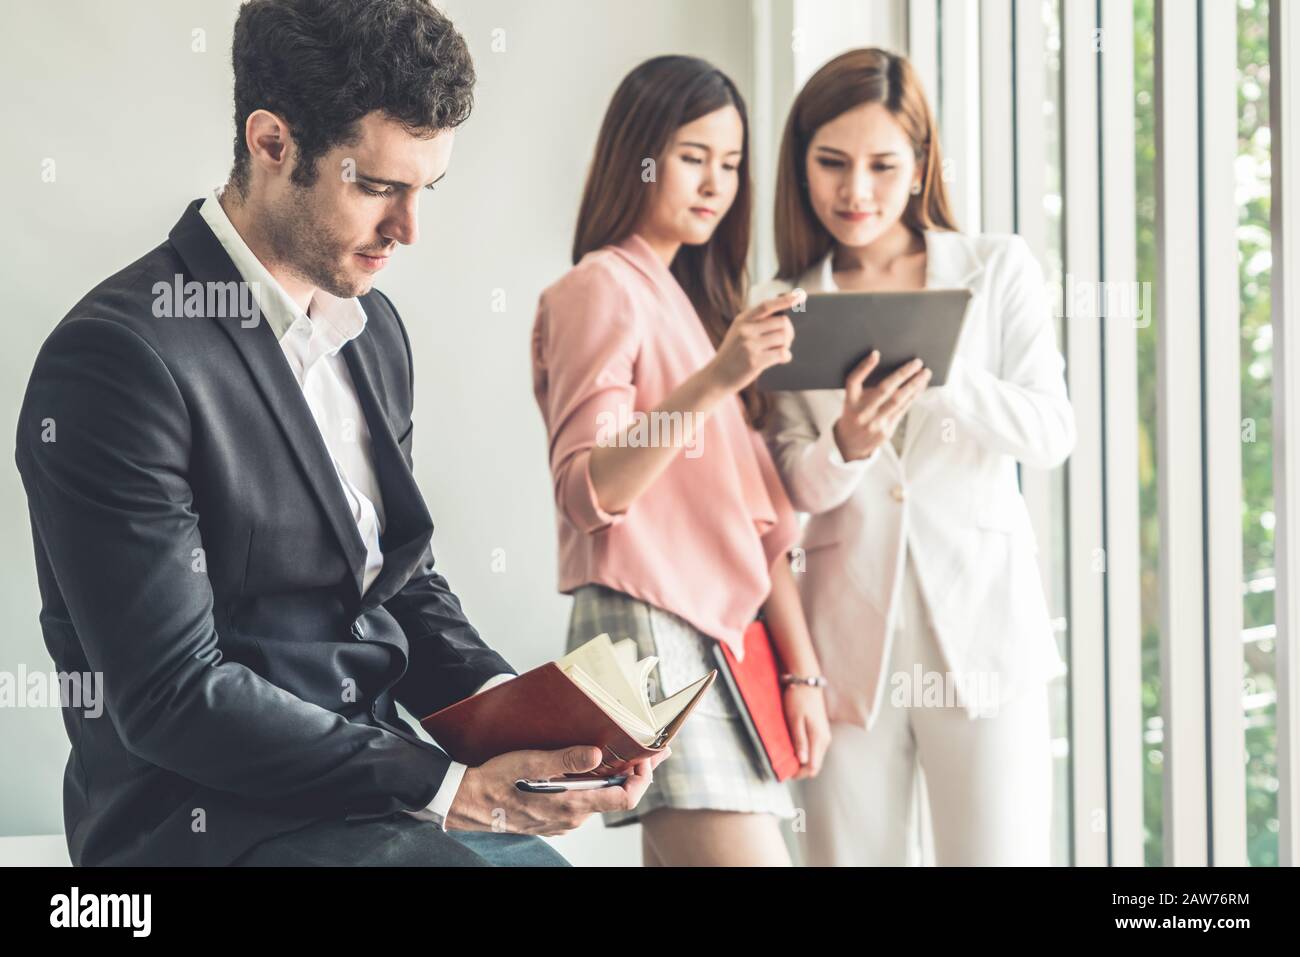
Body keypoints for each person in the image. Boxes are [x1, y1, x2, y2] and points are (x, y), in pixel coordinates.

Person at [13, 0, 663, 868]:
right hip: (205, 827)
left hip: (376, 800)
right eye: (377, 186)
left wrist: (527, 717)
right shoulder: (117, 360)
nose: (409, 229)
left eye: (424, 189)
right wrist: (441, 785)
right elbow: (171, 696)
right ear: (272, 142)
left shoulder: (374, 330)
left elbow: (397, 582)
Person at [753, 47, 1076, 866]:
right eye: (831, 163)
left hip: (984, 634)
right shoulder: (784, 303)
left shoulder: (996, 271)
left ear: (921, 163)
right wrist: (850, 443)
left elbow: (1050, 432)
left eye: (881, 165)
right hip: (844, 650)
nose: (855, 191)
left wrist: (948, 368)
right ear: (801, 165)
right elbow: (791, 485)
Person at [531, 55, 831, 868]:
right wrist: (719, 378)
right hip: (645, 629)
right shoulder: (600, 287)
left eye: (731, 164)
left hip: (717, 645)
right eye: (693, 156)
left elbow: (757, 526)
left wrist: (802, 676)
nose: (715, 184)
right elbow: (589, 488)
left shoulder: (699, 313)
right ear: (640, 155)